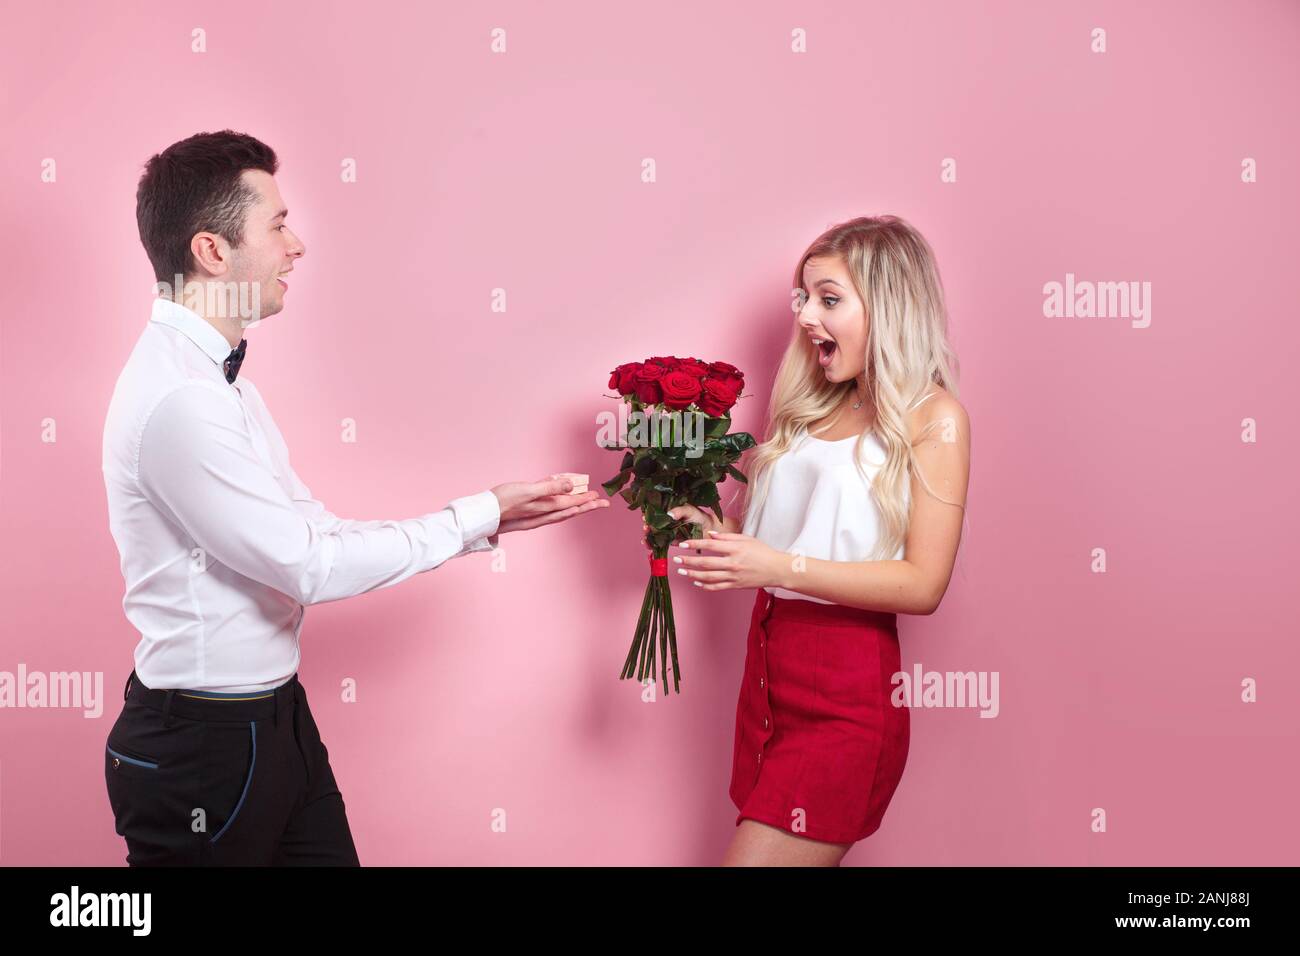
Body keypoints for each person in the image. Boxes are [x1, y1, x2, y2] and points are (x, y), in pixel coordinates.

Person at [101, 130, 607, 866]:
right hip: (204, 747)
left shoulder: (220, 382)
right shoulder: (182, 399)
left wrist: (481, 521)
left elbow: (314, 529)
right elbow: (306, 566)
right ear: (213, 252)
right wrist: (477, 515)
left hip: (274, 722)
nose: (295, 245)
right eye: (276, 224)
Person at [663, 216, 970, 865]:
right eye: (804, 298)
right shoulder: (816, 407)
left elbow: (923, 583)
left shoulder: (933, 418)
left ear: (887, 306)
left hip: (846, 704)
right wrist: (719, 539)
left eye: (829, 299)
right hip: (767, 688)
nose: (806, 317)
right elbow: (783, 545)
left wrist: (776, 564)